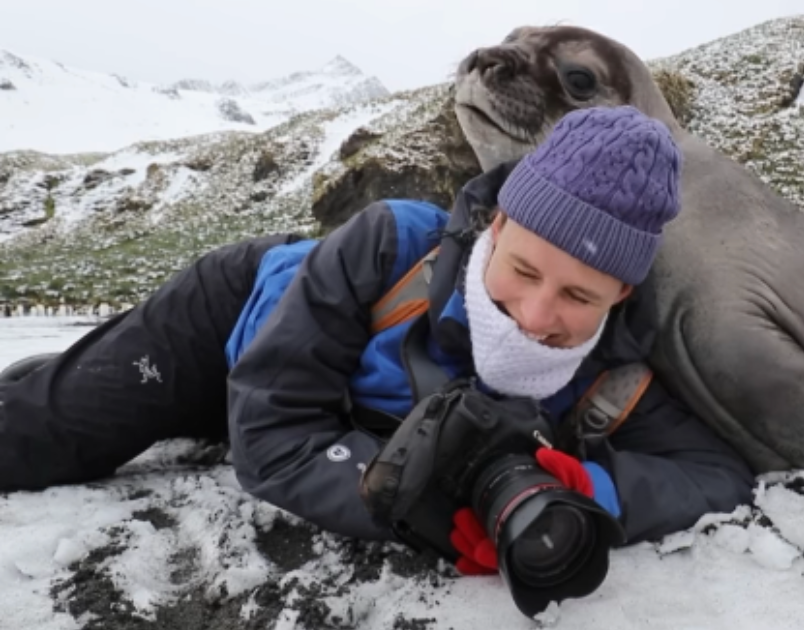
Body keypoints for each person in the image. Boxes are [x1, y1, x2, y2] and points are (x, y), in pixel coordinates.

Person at [0, 105, 755, 576]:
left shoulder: (610, 368)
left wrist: (591, 490)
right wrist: (404, 496)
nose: (533, 314)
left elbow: (717, 473)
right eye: (523, 269)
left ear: (621, 293)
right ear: (495, 226)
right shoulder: (390, 243)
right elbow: (271, 433)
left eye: (578, 296)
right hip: (234, 328)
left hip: (334, 414)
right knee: (50, 429)